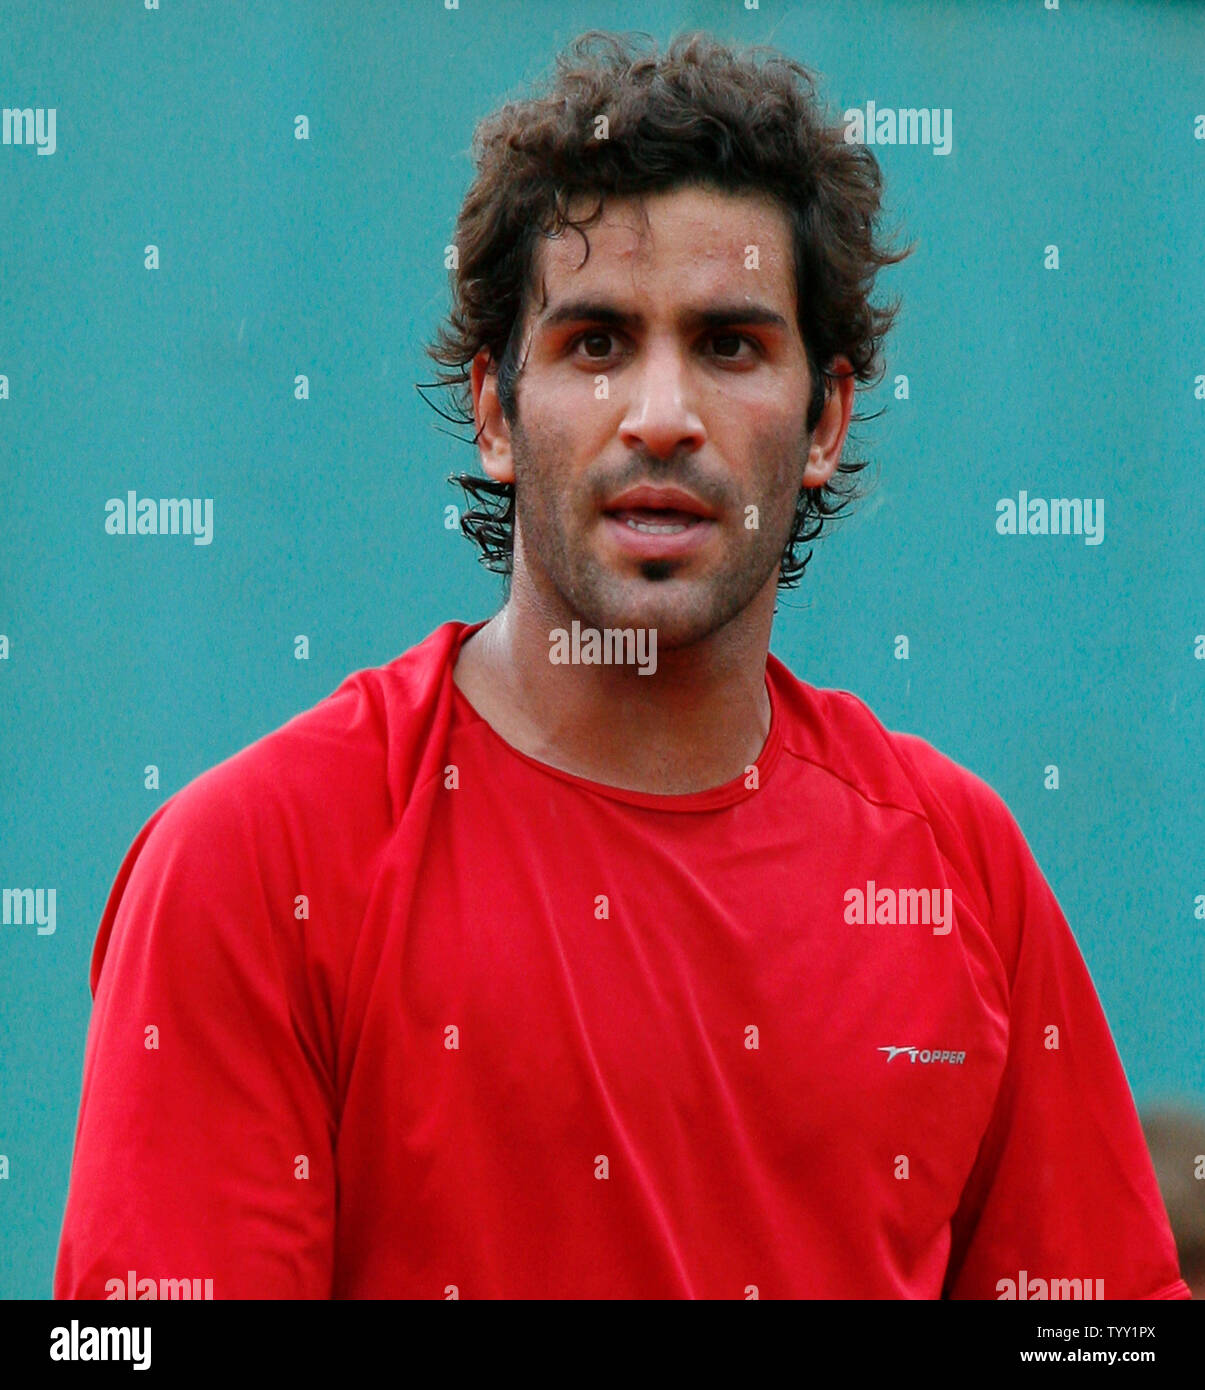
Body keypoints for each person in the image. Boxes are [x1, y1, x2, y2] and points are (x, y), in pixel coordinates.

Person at [55, 30, 1189, 1300]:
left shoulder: (962, 873)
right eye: (595, 343)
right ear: (495, 412)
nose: (659, 413)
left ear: (823, 421)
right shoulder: (251, 865)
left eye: (728, 345)